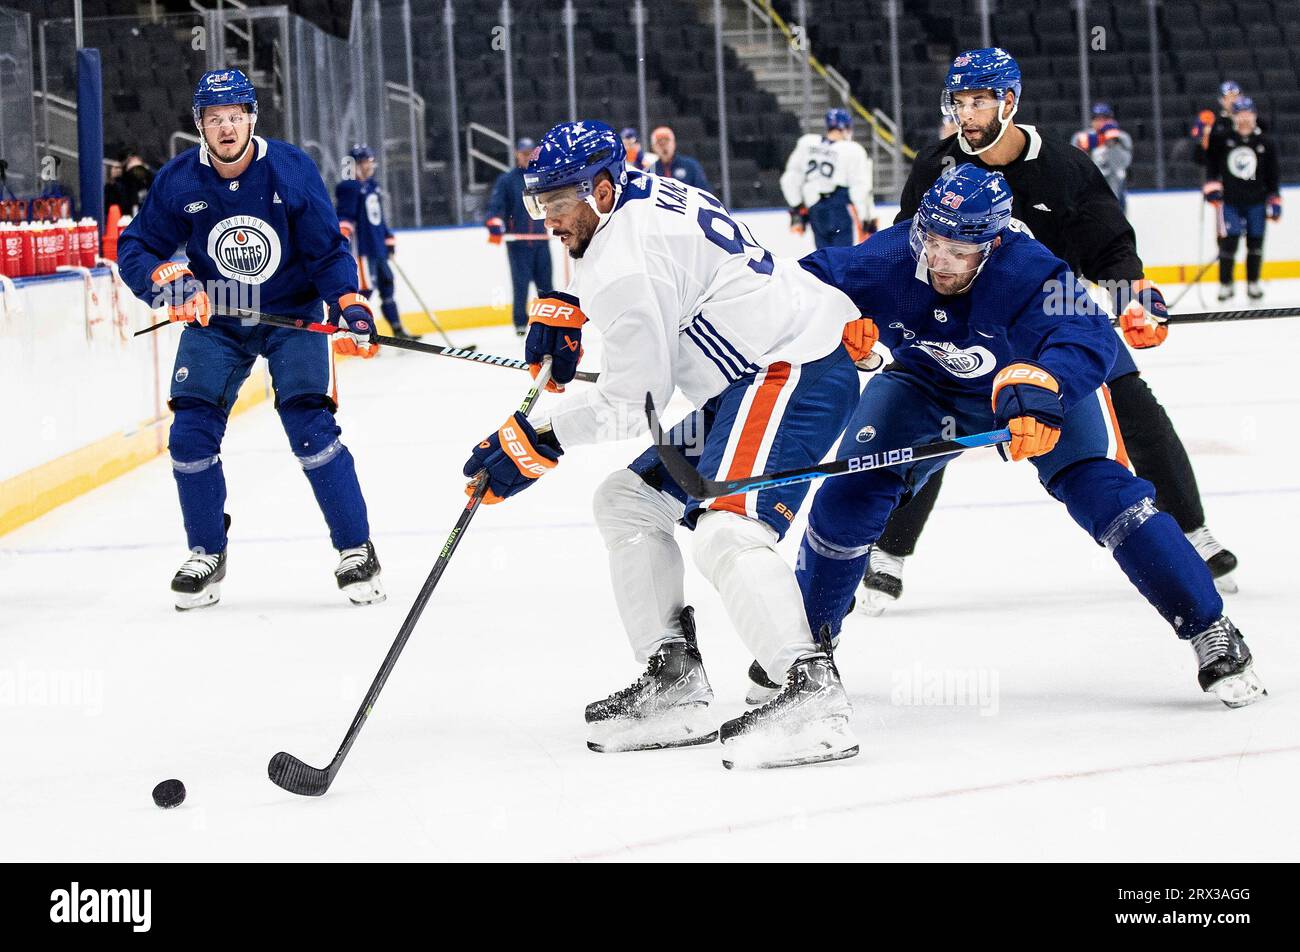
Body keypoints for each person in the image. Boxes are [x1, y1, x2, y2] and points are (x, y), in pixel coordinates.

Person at [784, 164, 1265, 712]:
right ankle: (808, 653)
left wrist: (1045, 384)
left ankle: (1210, 627)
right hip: (925, 386)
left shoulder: (1031, 270)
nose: (938, 260)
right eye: (931, 241)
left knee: (1107, 496)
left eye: (957, 250)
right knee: (848, 492)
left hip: (1033, 387)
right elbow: (803, 283)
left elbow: (1086, 334)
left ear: (989, 244)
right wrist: (831, 318)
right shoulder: (892, 256)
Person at [463, 120, 866, 768]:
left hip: (793, 366)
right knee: (627, 503)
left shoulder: (622, 264)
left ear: (598, 190)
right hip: (752, 374)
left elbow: (631, 405)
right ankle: (676, 685)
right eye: (540, 203)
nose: (548, 221)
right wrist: (570, 307)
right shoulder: (634, 194)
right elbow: (650, 277)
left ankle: (812, 692)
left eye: (558, 202)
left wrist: (537, 440)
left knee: (727, 530)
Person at [853, 48, 1238, 619]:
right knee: (934, 429)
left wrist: (1134, 299)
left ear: (1010, 102)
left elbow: (1107, 247)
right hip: (960, 325)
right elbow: (909, 249)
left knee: (1137, 410)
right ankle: (889, 550)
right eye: (959, 102)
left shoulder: (1063, 166)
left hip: (1055, 323)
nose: (967, 114)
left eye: (979, 100)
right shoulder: (936, 165)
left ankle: (1194, 533)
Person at [118, 68, 385, 610]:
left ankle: (357, 550)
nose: (226, 128)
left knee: (311, 427)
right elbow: (136, 248)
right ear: (200, 124)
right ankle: (205, 553)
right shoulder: (178, 180)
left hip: (294, 314)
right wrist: (167, 281)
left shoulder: (289, 168)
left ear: (252, 119)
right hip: (215, 319)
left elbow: (326, 250)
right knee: (190, 434)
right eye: (214, 119)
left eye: (235, 116)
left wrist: (349, 300)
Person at [1204, 97, 1281, 302]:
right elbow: (1211, 164)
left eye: (1249, 114)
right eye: (1240, 114)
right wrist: (1211, 186)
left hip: (1257, 200)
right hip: (1230, 200)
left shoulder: (1265, 142)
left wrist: (1274, 198)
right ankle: (1225, 284)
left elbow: (1273, 174)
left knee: (1255, 243)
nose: (1245, 118)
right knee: (1229, 243)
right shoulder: (1223, 140)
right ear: (1234, 117)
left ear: (1255, 115)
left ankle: (1253, 283)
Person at [335, 144, 414, 339]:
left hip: (378, 247)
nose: (369, 166)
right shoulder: (349, 187)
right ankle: (358, 332)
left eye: (370, 161)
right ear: (355, 165)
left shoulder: (372, 186)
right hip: (362, 249)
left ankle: (397, 330)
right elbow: (345, 215)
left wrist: (388, 237)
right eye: (365, 162)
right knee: (365, 291)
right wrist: (344, 233)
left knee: (387, 285)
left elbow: (378, 217)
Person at [780, 107, 876, 248]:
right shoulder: (853, 150)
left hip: (815, 208)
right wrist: (866, 218)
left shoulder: (807, 143)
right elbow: (860, 187)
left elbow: (789, 179)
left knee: (824, 258)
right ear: (846, 127)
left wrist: (797, 206)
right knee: (844, 259)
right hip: (840, 208)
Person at [486, 137, 552, 336]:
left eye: (530, 153)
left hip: (541, 241)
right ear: (517, 154)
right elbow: (496, 207)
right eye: (524, 153)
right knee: (520, 284)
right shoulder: (507, 180)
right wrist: (495, 223)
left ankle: (548, 320)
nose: (527, 157)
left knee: (546, 285)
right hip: (519, 243)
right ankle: (520, 323)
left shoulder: (543, 177)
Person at [1073, 102, 1132, 209]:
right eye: (1097, 119)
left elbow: (1123, 163)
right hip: (1089, 187)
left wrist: (1112, 144)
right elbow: (1076, 164)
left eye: (1104, 119)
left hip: (1115, 187)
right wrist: (1088, 149)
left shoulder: (1121, 137)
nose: (1100, 122)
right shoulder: (1082, 137)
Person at [648, 125, 710, 191]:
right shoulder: (651, 170)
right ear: (653, 148)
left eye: (667, 142)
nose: (664, 147)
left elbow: (704, 191)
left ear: (674, 144)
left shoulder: (690, 165)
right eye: (660, 144)